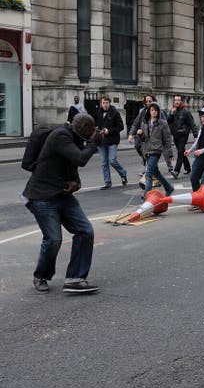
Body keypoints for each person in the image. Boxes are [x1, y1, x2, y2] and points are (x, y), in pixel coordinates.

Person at [24, 113, 103, 293]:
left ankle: (75, 278)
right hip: (42, 196)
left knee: (85, 231)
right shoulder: (61, 136)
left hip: (62, 195)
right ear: (82, 127)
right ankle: (40, 276)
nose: (92, 133)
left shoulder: (75, 139)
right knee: (53, 239)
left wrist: (77, 184)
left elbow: (73, 169)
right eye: (91, 130)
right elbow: (80, 159)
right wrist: (94, 143)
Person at [137, 102, 175, 198]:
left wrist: (170, 154)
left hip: (156, 150)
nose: (153, 112)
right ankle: (168, 187)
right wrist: (140, 134)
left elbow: (167, 139)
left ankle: (146, 196)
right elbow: (143, 139)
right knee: (155, 172)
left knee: (148, 174)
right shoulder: (144, 123)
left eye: (155, 110)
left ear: (158, 112)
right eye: (152, 110)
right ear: (149, 111)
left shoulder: (163, 123)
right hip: (147, 150)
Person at [94, 95, 128, 190]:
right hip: (101, 141)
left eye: (107, 103)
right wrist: (97, 130)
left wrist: (109, 131)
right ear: (101, 104)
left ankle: (123, 173)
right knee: (104, 162)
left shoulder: (115, 113)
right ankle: (107, 182)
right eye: (103, 103)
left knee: (112, 160)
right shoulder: (98, 113)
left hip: (112, 140)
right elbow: (97, 125)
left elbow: (120, 127)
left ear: (109, 103)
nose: (105, 105)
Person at [168, 95, 198, 178]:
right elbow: (168, 122)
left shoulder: (186, 111)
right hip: (175, 135)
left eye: (178, 100)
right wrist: (171, 114)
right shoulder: (173, 111)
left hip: (183, 135)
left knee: (180, 152)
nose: (177, 101)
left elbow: (192, 123)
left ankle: (176, 171)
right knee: (181, 151)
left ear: (181, 101)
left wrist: (195, 135)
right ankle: (188, 168)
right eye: (175, 100)